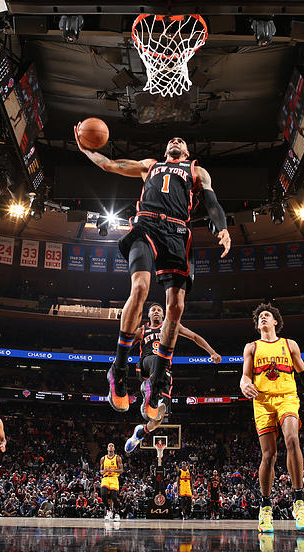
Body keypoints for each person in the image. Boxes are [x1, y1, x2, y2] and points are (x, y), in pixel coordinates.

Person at [75, 131, 231, 420]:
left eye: (181, 141)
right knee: (140, 288)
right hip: (145, 226)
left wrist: (221, 227)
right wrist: (86, 150)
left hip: (177, 232)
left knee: (176, 308)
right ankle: (119, 370)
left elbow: (211, 203)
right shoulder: (150, 165)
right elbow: (110, 164)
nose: (175, 140)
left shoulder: (197, 171)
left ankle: (157, 381)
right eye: (171, 139)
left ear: (185, 152)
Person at [239, 303, 304, 533]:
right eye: (260, 317)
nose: (263, 318)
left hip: (287, 397)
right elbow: (245, 377)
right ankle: (265, 508)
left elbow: (303, 373)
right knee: (269, 454)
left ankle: (299, 502)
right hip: (262, 401)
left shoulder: (289, 344)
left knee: (292, 439)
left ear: (276, 322)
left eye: (268, 315)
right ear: (257, 325)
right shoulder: (251, 347)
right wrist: (244, 384)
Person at [125, 303, 221, 453]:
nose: (156, 312)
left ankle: (140, 434)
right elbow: (126, 345)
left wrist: (212, 352)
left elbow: (194, 336)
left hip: (165, 373)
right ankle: (148, 388)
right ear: (148, 315)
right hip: (145, 365)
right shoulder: (142, 330)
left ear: (163, 315)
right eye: (153, 310)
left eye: (159, 310)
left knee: (159, 417)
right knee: (158, 359)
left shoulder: (172, 326)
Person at [99, 442, 123, 520]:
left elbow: (121, 470)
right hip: (105, 478)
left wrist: (112, 470)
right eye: (109, 446)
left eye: (112, 446)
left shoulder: (117, 458)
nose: (111, 447)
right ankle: (109, 510)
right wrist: (104, 471)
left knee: (114, 497)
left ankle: (117, 513)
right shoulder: (103, 458)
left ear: (114, 448)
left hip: (114, 478)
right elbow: (101, 471)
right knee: (103, 495)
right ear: (107, 448)